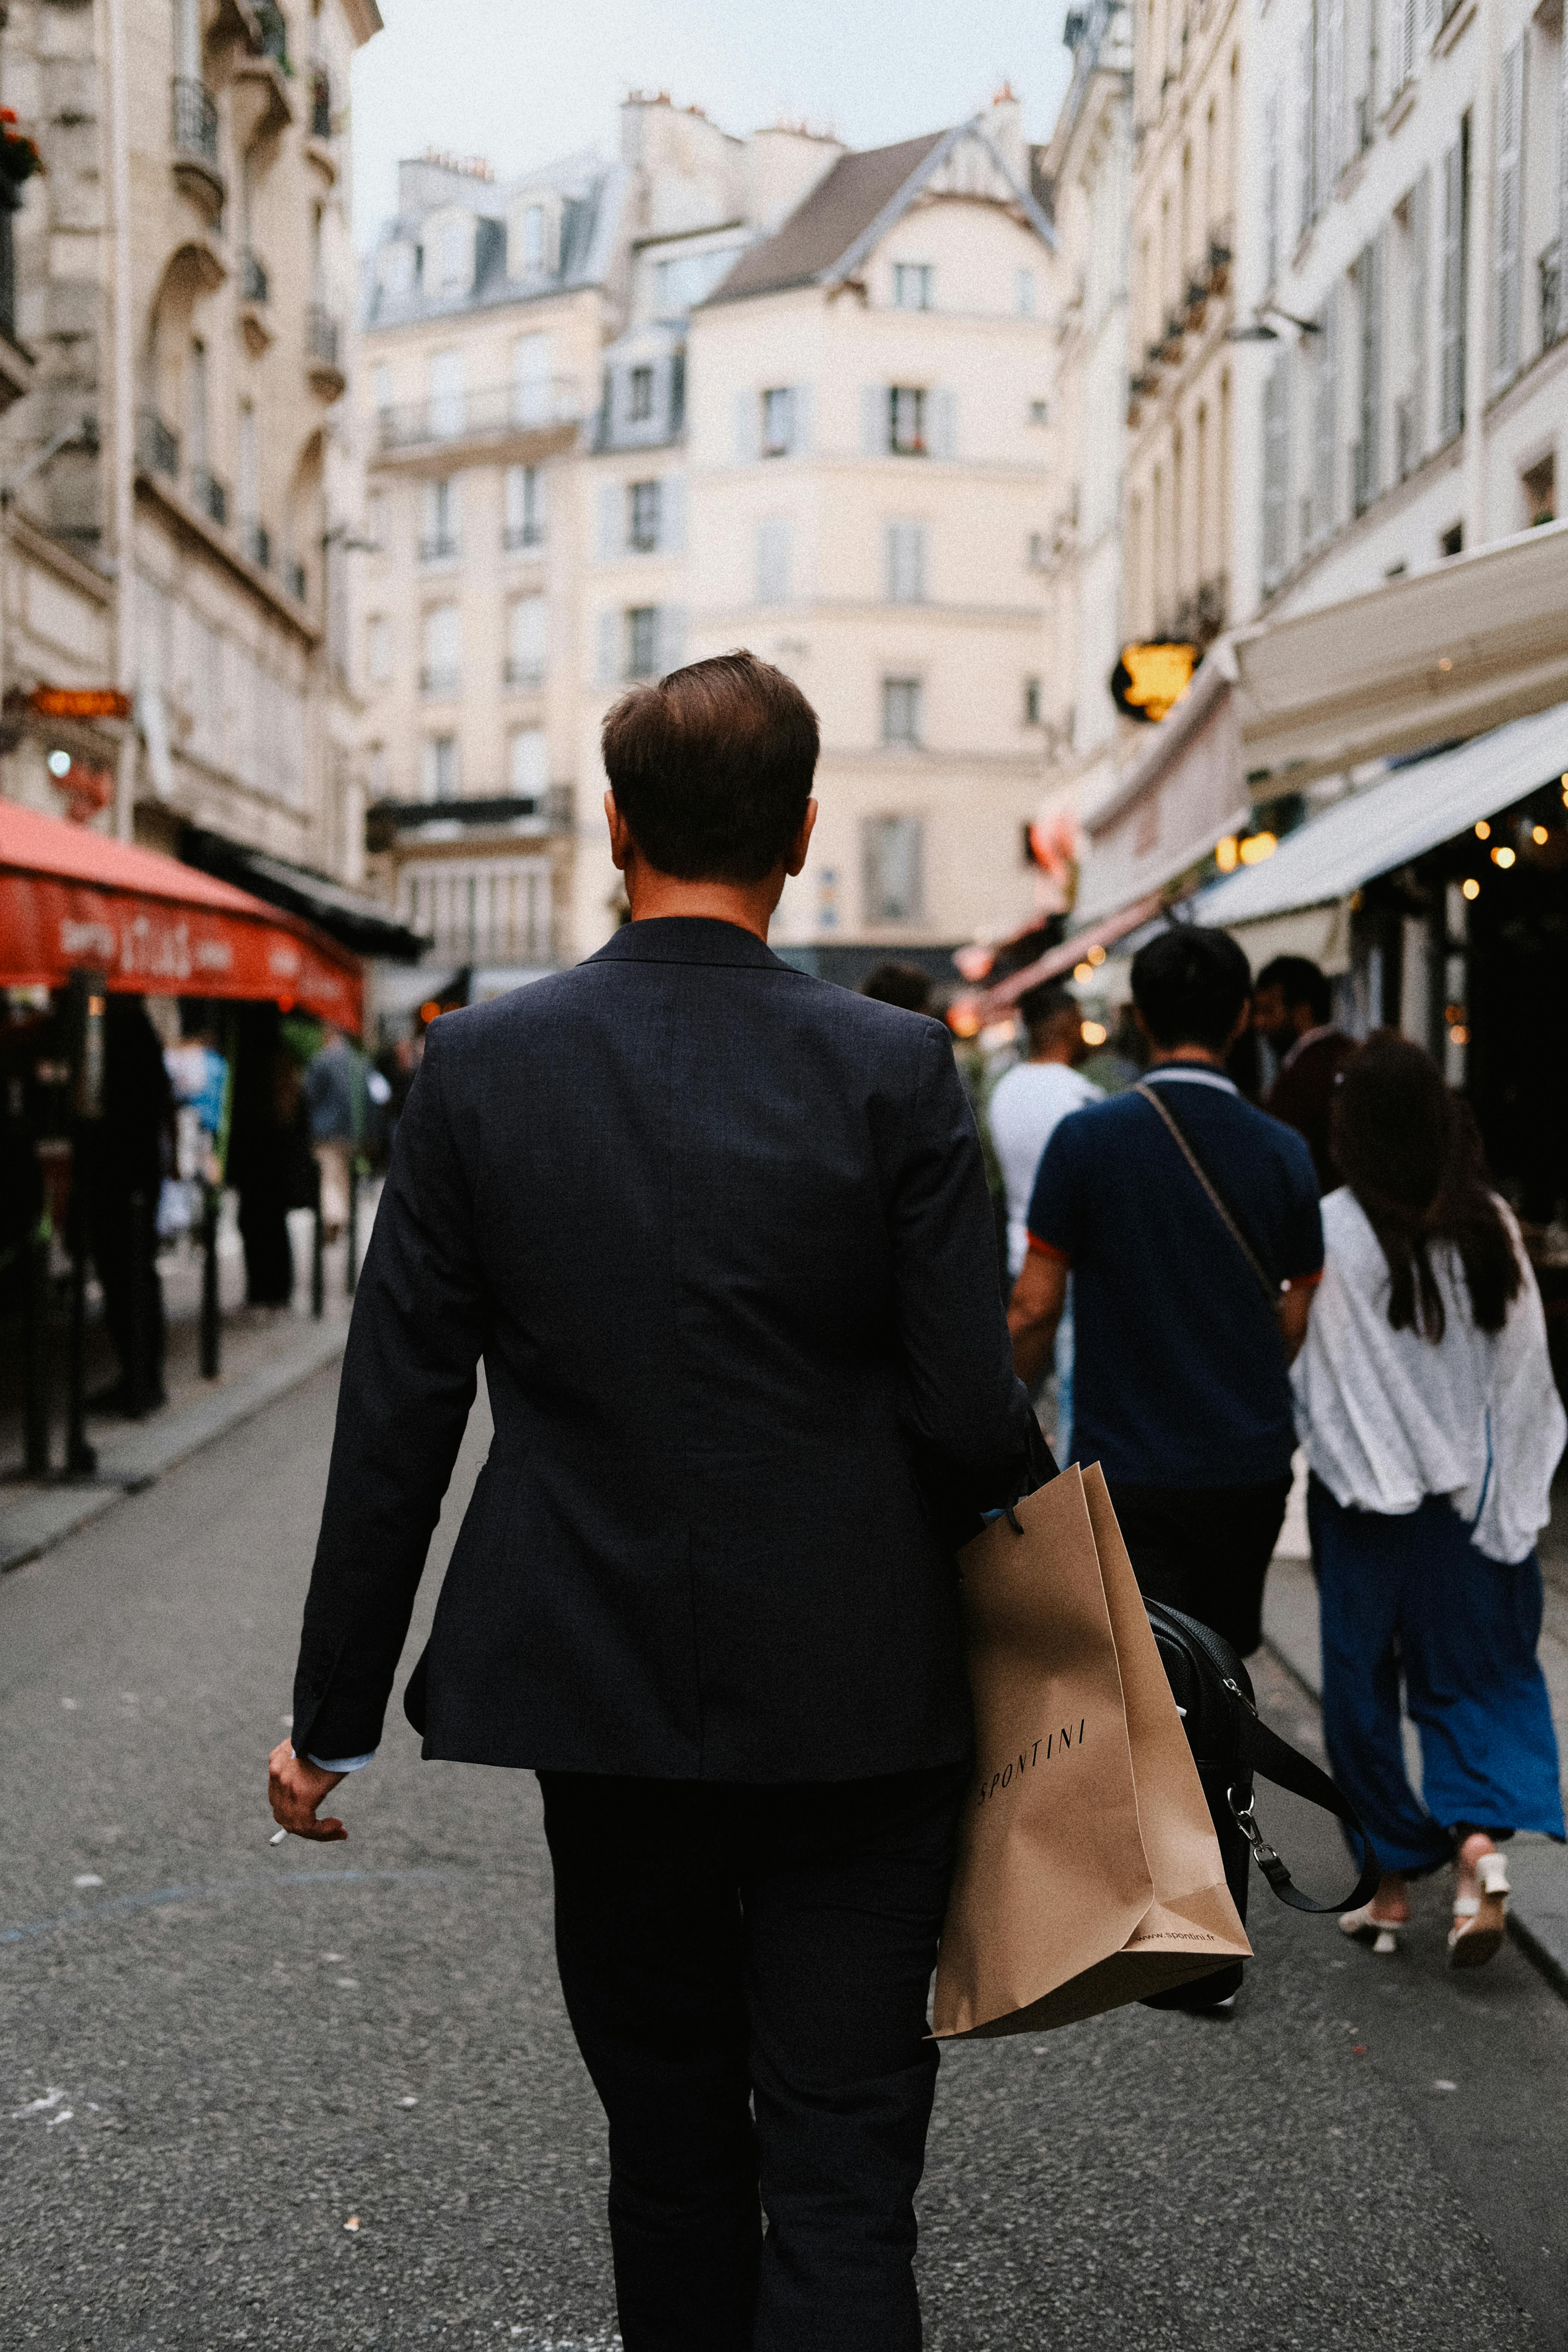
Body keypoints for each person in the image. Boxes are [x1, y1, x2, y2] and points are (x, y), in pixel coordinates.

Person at [267, 650, 1051, 2352]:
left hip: (604, 1695)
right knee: (845, 2161)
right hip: (864, 1693)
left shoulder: (478, 1072)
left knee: (671, 2145)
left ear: (615, 827)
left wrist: (331, 1709)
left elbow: (397, 1407)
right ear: (805, 834)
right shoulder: (900, 1071)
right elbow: (963, 1409)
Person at [1291, 1034, 1566, 1965]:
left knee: (1361, 1691)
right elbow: (1523, 1377)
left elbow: (1314, 1375)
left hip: (1368, 1506)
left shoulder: (1329, 1229)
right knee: (1477, 1676)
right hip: (1473, 1507)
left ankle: (1394, 1889)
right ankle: (1479, 1845)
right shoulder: (1491, 1226)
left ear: (1348, 1128)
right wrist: (1508, 1488)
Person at [1008, 925, 1323, 1658]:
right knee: (1222, 1667)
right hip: (1248, 1464)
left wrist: (994, 1416)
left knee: (1144, 1686)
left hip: (1129, 1472)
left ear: (1141, 1017)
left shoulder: (1085, 1141)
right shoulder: (1285, 1152)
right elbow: (1297, 1316)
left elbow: (1034, 1308)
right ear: (1243, 1014)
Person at [988, 983, 1102, 1456]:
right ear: (1060, 1023)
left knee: (1025, 1401)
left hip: (1021, 1258)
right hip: (1075, 1269)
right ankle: (1072, 1513)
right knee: (1074, 1401)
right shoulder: (1082, 1097)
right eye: (1077, 1019)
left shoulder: (1004, 1091)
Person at [84, 994, 173, 1416]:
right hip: (139, 1178)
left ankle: (141, 1382)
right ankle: (143, 1379)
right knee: (137, 1276)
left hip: (125, 1181)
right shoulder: (139, 1033)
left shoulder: (121, 1032)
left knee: (129, 1278)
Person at [1253, 954, 1355, 1191]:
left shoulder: (1300, 1080)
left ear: (1302, 1012)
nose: (1259, 1023)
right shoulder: (1353, 1056)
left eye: (1269, 1011)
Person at [302, 1024, 357, 1243]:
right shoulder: (356, 1060)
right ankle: (341, 1218)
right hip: (352, 1131)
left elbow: (309, 1094)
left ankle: (334, 1219)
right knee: (343, 1176)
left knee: (329, 1177)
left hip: (326, 1130)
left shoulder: (321, 1060)